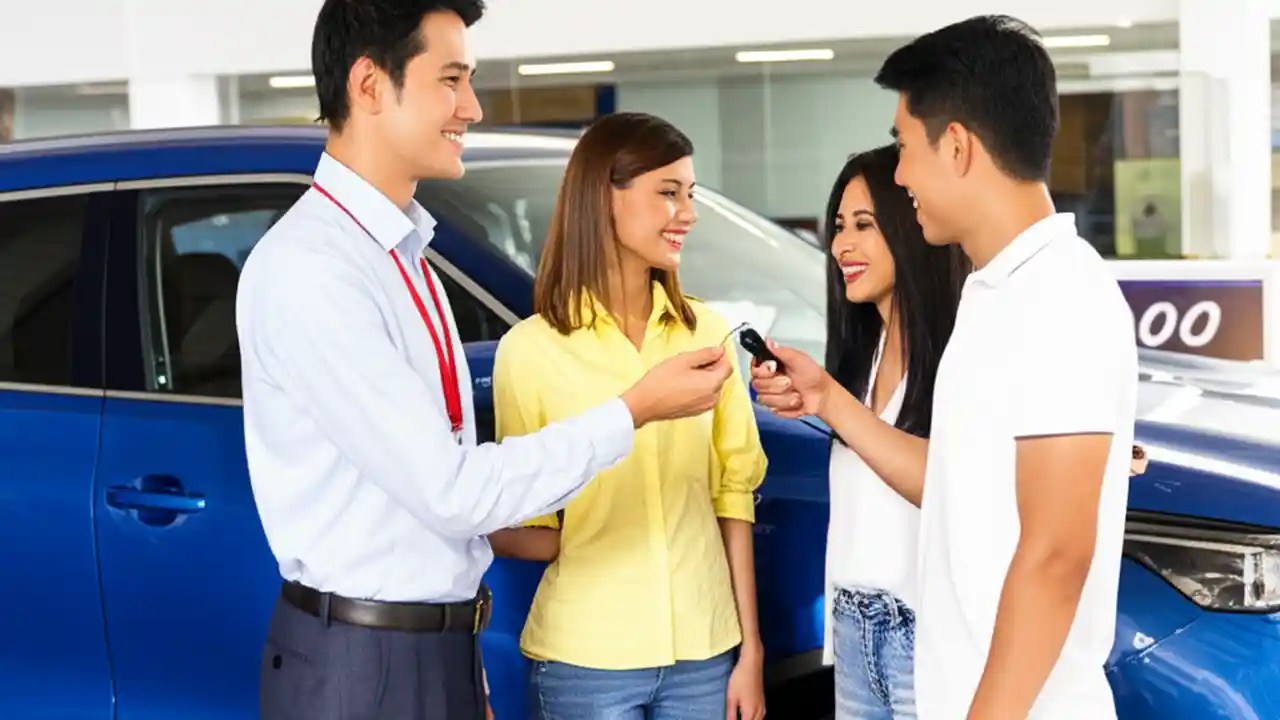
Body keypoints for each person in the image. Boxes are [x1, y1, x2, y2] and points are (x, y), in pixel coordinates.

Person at [235, 4, 735, 719]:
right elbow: (455, 492)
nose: (471, 107)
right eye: (451, 80)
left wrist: (465, 669)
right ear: (370, 84)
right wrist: (633, 410)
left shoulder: (403, 256)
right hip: (366, 666)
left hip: (430, 650)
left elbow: (437, 504)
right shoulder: (315, 270)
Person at [751, 15, 1138, 720]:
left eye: (904, 147)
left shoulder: (1058, 295)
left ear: (956, 146)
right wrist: (829, 398)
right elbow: (961, 485)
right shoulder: (995, 296)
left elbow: (1055, 557)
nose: (900, 174)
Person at [486, 112, 768, 720]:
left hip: (705, 653)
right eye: (668, 193)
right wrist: (453, 514)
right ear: (603, 198)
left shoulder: (708, 334)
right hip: (585, 660)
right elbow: (533, 527)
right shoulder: (530, 351)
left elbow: (733, 496)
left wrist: (751, 650)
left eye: (690, 194)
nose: (687, 213)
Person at [818, 144, 967, 719]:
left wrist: (827, 401)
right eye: (839, 227)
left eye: (863, 225)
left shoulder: (962, 351)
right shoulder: (862, 357)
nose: (842, 246)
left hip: (925, 637)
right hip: (853, 629)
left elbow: (944, 483)